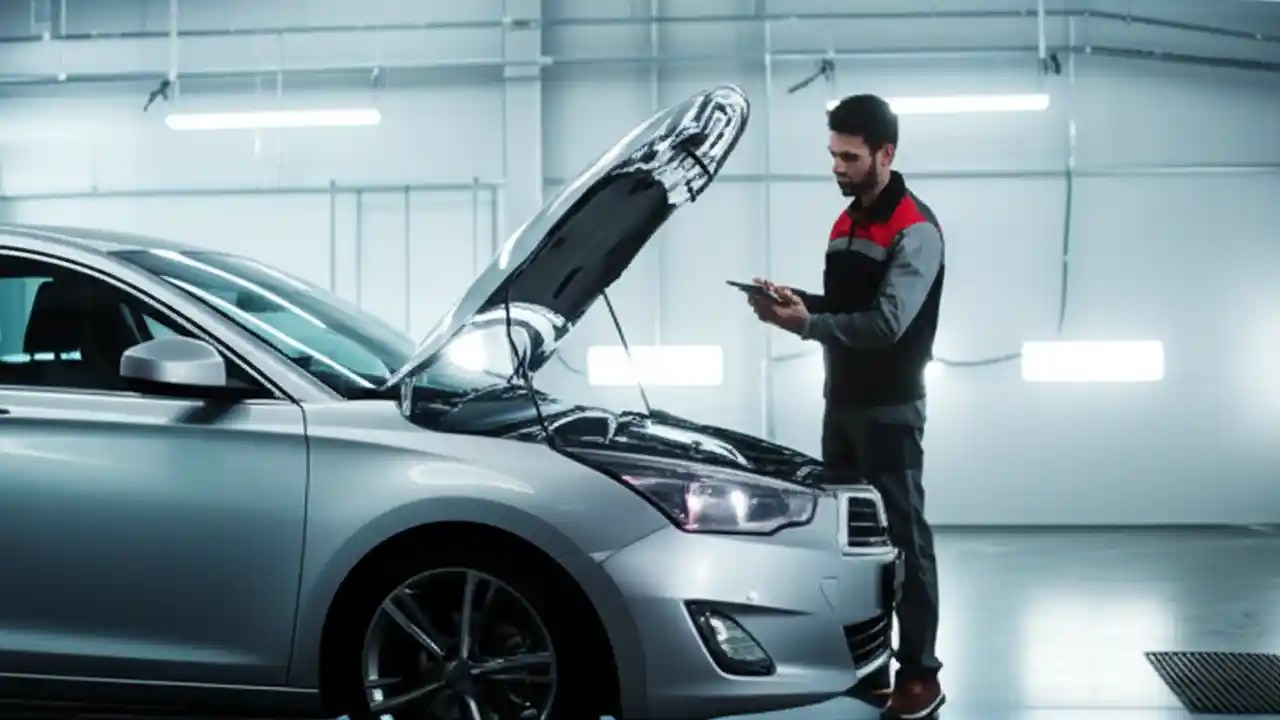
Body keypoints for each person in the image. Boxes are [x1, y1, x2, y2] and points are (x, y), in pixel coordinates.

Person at [747, 93, 946, 720]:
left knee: (904, 543)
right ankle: (871, 668)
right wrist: (793, 301)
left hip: (891, 410)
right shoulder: (846, 222)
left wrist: (806, 325)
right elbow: (840, 307)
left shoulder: (916, 229)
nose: (837, 167)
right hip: (843, 404)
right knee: (851, 541)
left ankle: (921, 674)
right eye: (833, 155)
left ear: (885, 154)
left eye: (850, 157)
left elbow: (887, 324)